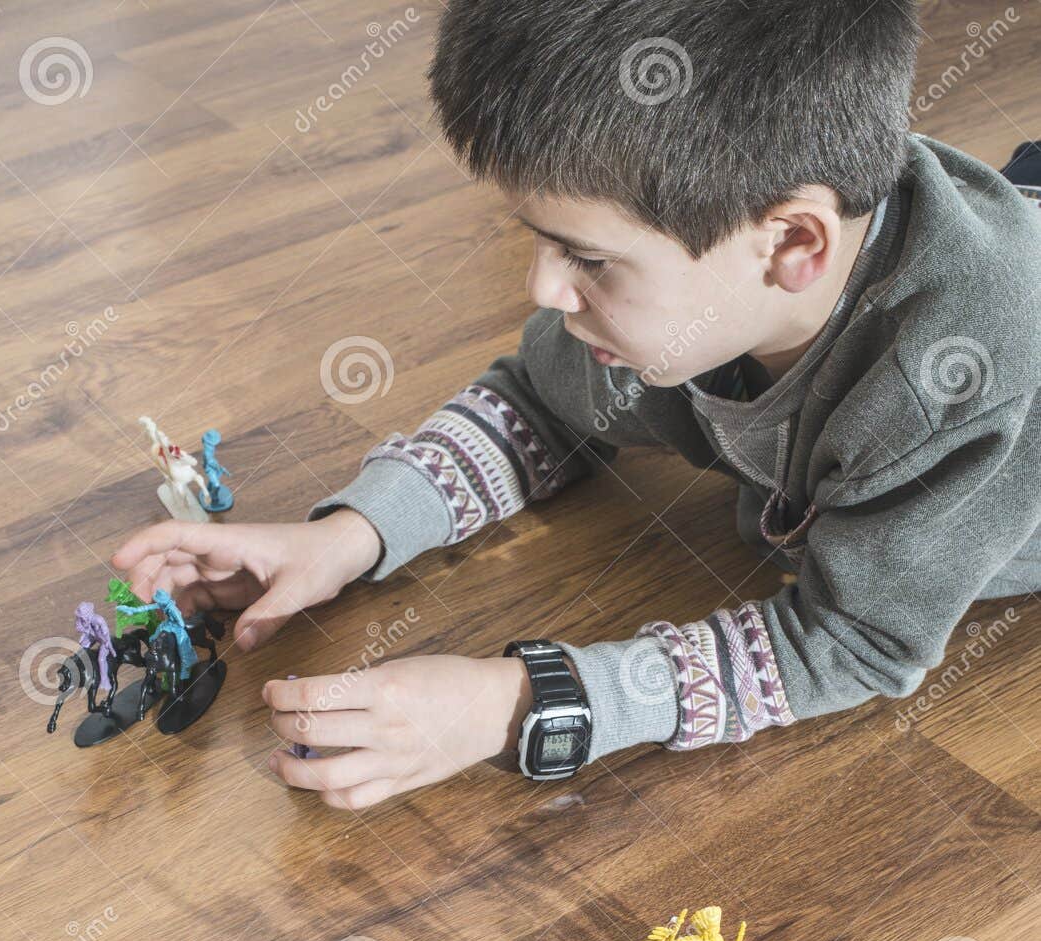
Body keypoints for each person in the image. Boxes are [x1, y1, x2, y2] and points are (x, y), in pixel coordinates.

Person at [111, 1, 1041, 811]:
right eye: (541, 243)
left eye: (588, 258)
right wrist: (346, 537)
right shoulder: (698, 286)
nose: (544, 288)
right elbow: (536, 401)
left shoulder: (952, 382)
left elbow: (851, 641)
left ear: (791, 240)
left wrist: (520, 701)